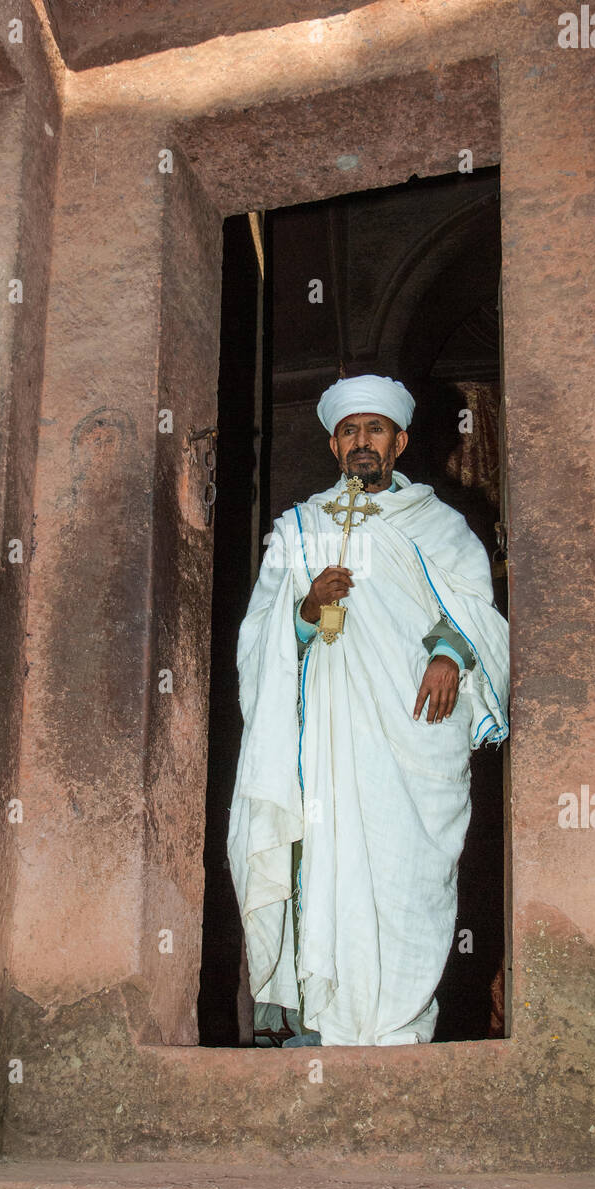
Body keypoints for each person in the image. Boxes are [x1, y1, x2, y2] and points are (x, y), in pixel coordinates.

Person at [228, 374, 509, 1046]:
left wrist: (450, 652)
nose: (362, 441)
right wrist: (303, 608)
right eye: (350, 430)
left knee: (405, 874)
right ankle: (326, 1025)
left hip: (412, 736)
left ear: (399, 441)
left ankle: (398, 1029)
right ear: (333, 443)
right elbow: (256, 638)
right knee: (327, 866)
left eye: (374, 429)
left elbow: (475, 612)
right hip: (323, 742)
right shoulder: (295, 532)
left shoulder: (440, 527)